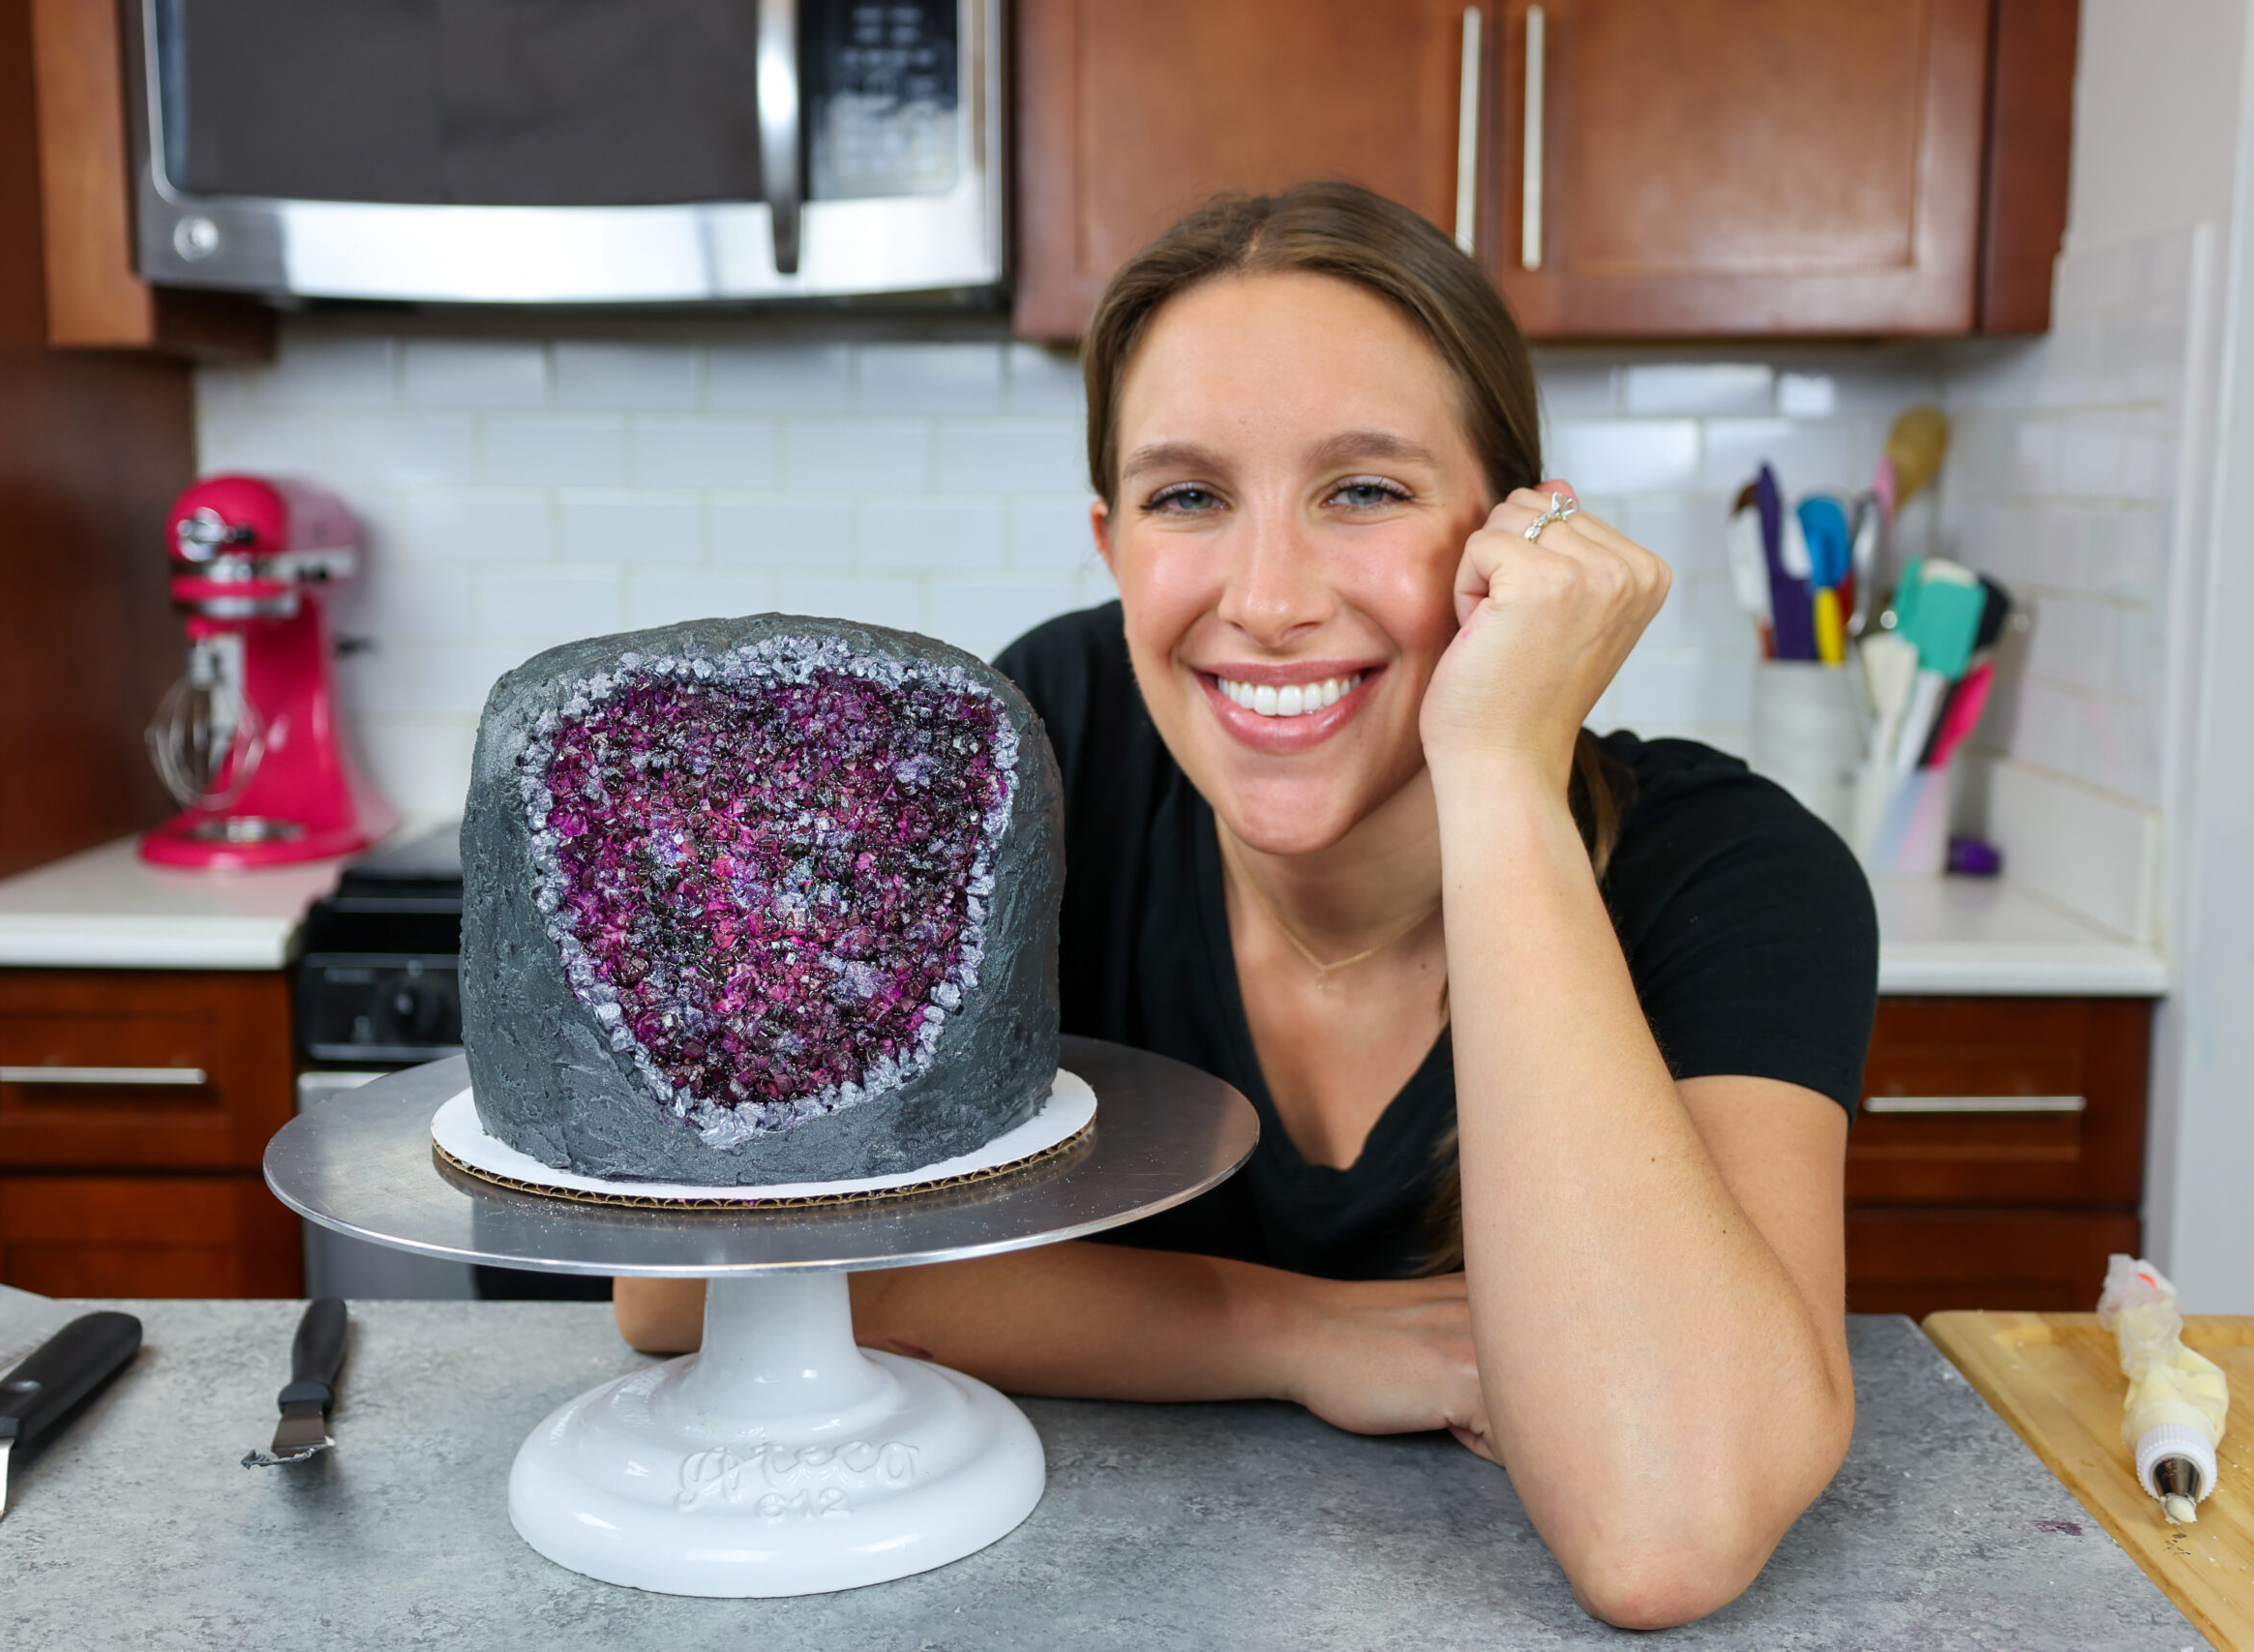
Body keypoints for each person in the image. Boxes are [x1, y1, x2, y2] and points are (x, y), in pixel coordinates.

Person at [616, 181, 1878, 1629]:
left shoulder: (1733, 875)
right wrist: (1294, 1335)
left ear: (1513, 542)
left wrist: (1500, 773)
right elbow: (688, 1291)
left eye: (1365, 490)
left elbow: (1669, 1527)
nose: (1268, 598)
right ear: (1113, 546)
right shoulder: (1039, 755)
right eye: (1190, 498)